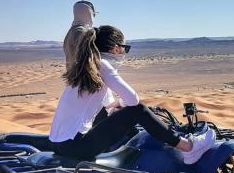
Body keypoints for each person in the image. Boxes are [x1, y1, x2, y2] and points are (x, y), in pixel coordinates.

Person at [50, 25, 215, 164]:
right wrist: (124, 104)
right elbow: (133, 100)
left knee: (126, 113)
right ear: (115, 48)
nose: (124, 53)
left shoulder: (86, 67)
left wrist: (118, 106)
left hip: (60, 144)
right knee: (138, 110)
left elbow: (105, 106)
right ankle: (188, 147)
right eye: (125, 48)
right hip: (76, 146)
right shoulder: (102, 65)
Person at [64, 0, 96, 71]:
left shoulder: (72, 31)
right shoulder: (82, 32)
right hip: (81, 74)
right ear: (89, 13)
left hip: (73, 74)